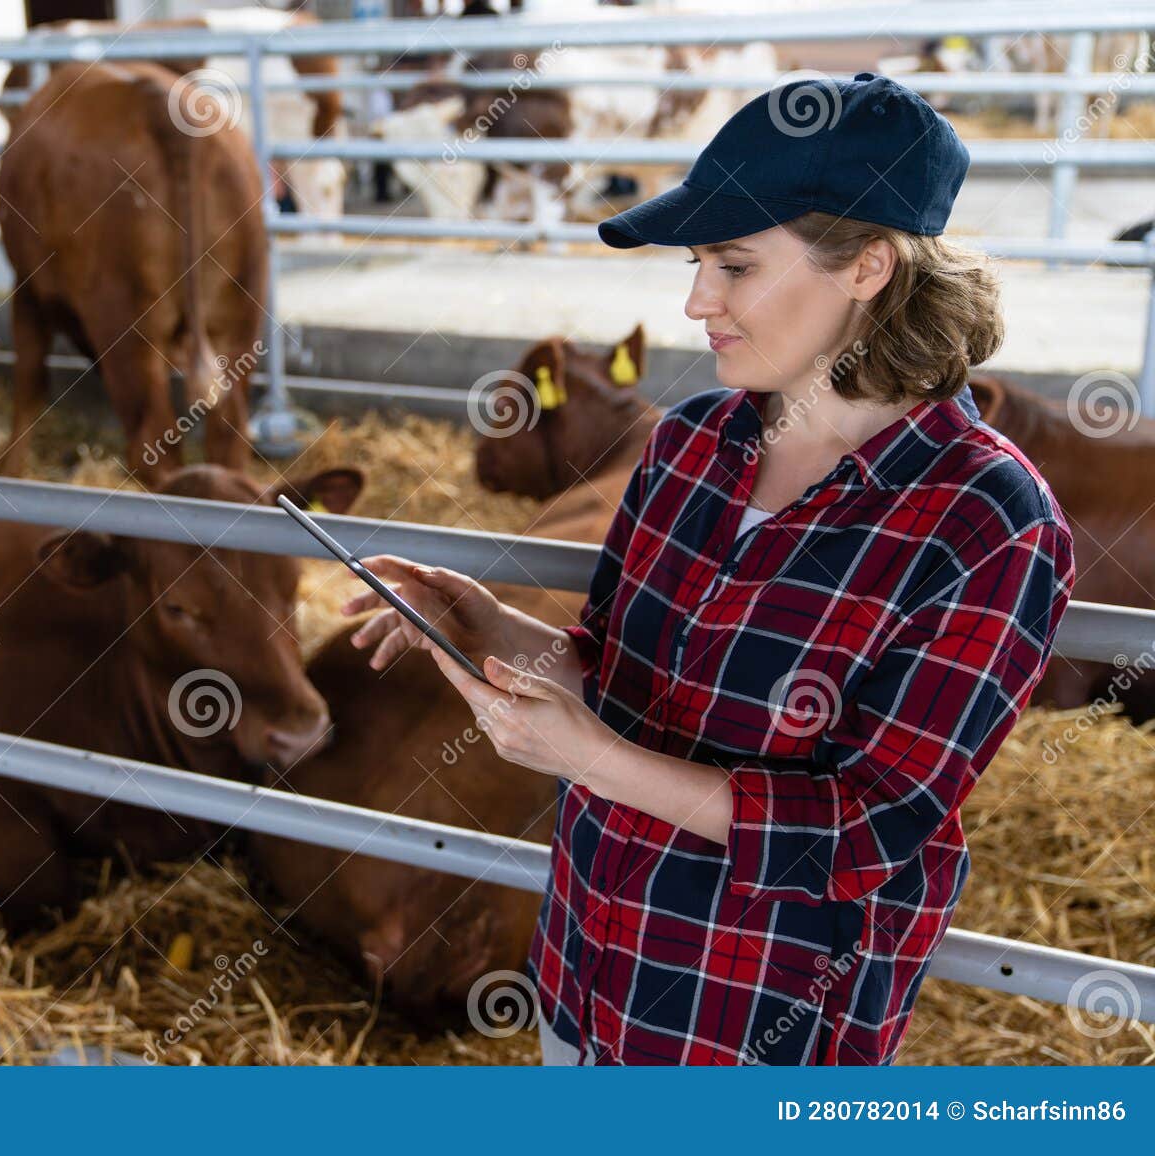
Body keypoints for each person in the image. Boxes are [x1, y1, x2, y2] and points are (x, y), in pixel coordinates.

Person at [342, 73, 1077, 1065]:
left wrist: (588, 760)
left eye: (732, 265)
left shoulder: (988, 522)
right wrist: (485, 626)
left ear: (866, 267)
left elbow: (866, 830)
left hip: (747, 1022)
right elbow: (617, 672)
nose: (695, 302)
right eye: (697, 264)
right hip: (584, 972)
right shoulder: (689, 444)